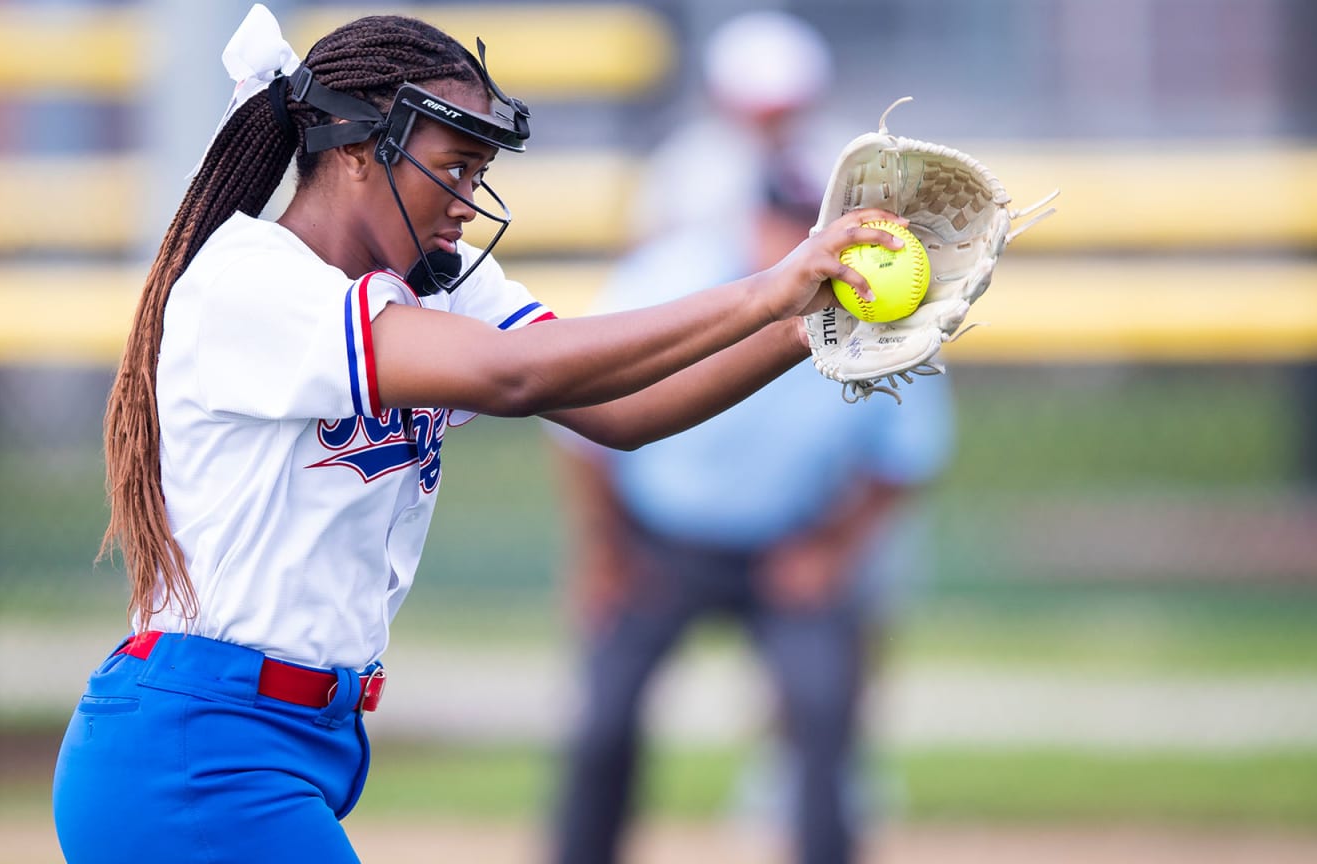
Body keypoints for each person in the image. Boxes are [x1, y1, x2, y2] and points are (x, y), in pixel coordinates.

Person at [50, 5, 908, 863]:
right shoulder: (254, 281)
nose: (469, 201)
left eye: (480, 171)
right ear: (353, 149)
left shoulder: (437, 282)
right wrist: (770, 289)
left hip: (292, 741)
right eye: (454, 167)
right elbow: (514, 373)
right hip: (195, 752)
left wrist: (807, 331)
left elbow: (624, 411)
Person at [549, 13, 953, 864]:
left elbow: (906, 458)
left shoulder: (878, 319)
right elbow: (580, 432)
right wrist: (605, 552)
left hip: (790, 541)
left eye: (809, 220)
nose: (793, 235)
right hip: (661, 537)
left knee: (823, 713)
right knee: (603, 719)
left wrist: (831, 551)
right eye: (782, 216)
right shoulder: (670, 268)